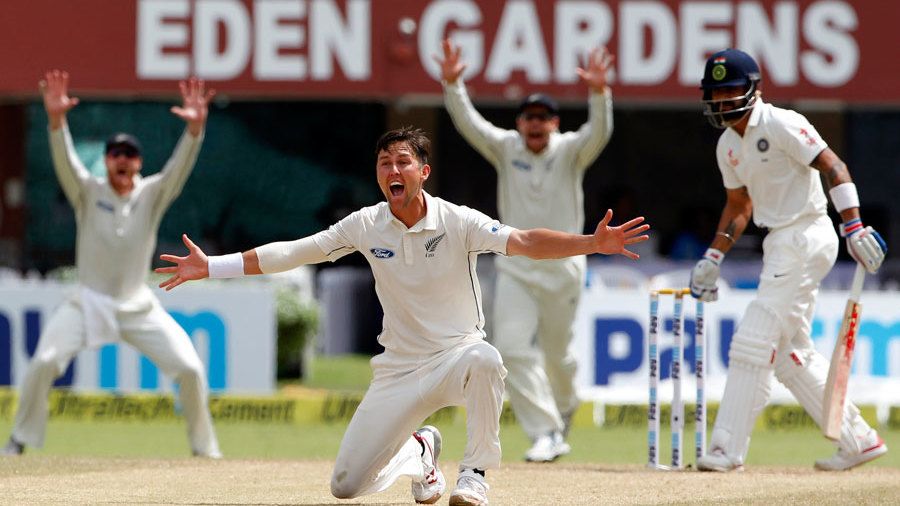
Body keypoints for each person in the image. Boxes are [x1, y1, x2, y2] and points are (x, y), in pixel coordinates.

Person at [155, 127, 649, 504]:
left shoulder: (458, 220)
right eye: (384, 162)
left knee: (487, 358)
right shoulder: (366, 225)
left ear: (423, 172)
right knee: (346, 486)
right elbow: (295, 252)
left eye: (403, 161)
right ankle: (420, 454)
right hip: (398, 370)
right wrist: (212, 266)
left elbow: (523, 242)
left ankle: (474, 473)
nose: (393, 169)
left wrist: (590, 243)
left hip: (457, 357)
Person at [1, 71, 221, 458]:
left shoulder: (152, 193)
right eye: (115, 154)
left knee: (189, 370)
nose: (122, 160)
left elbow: (177, 172)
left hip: (138, 306)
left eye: (129, 155)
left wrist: (195, 132)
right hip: (87, 303)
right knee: (43, 363)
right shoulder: (88, 191)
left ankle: (205, 451)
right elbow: (66, 162)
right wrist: (56, 122)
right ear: (106, 161)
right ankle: (18, 441)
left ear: (138, 163)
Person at [690, 48, 888, 472]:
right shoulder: (728, 145)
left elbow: (833, 166)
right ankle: (859, 439)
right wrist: (713, 255)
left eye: (730, 91)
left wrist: (853, 224)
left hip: (807, 232)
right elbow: (738, 206)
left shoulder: (782, 122)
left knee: (753, 337)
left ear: (753, 89)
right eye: (715, 93)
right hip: (780, 242)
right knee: (789, 355)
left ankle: (726, 448)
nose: (723, 101)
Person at [435, 39, 614, 462]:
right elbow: (469, 123)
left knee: (559, 356)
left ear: (554, 123)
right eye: (528, 118)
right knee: (512, 349)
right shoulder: (505, 147)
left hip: (564, 266)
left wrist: (599, 93)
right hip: (516, 264)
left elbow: (600, 132)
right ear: (519, 123)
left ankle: (565, 406)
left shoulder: (571, 150)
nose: (535, 125)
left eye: (543, 118)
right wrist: (452, 84)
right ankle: (545, 432)